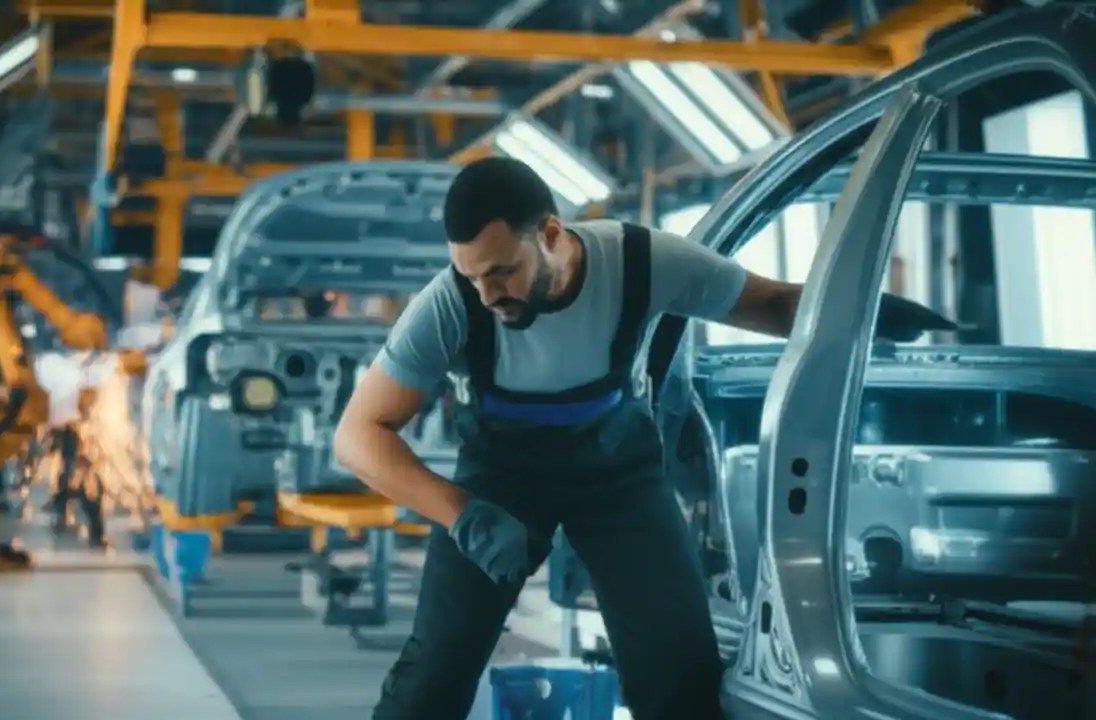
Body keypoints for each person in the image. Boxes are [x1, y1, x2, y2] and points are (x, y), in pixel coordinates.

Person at [333, 157, 954, 719]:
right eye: (472, 278)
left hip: (616, 471)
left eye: (503, 272)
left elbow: (770, 304)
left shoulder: (644, 262)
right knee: (435, 673)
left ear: (550, 235)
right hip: (498, 480)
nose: (487, 295)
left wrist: (868, 314)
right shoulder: (449, 304)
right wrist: (463, 516)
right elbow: (359, 438)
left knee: (679, 670)